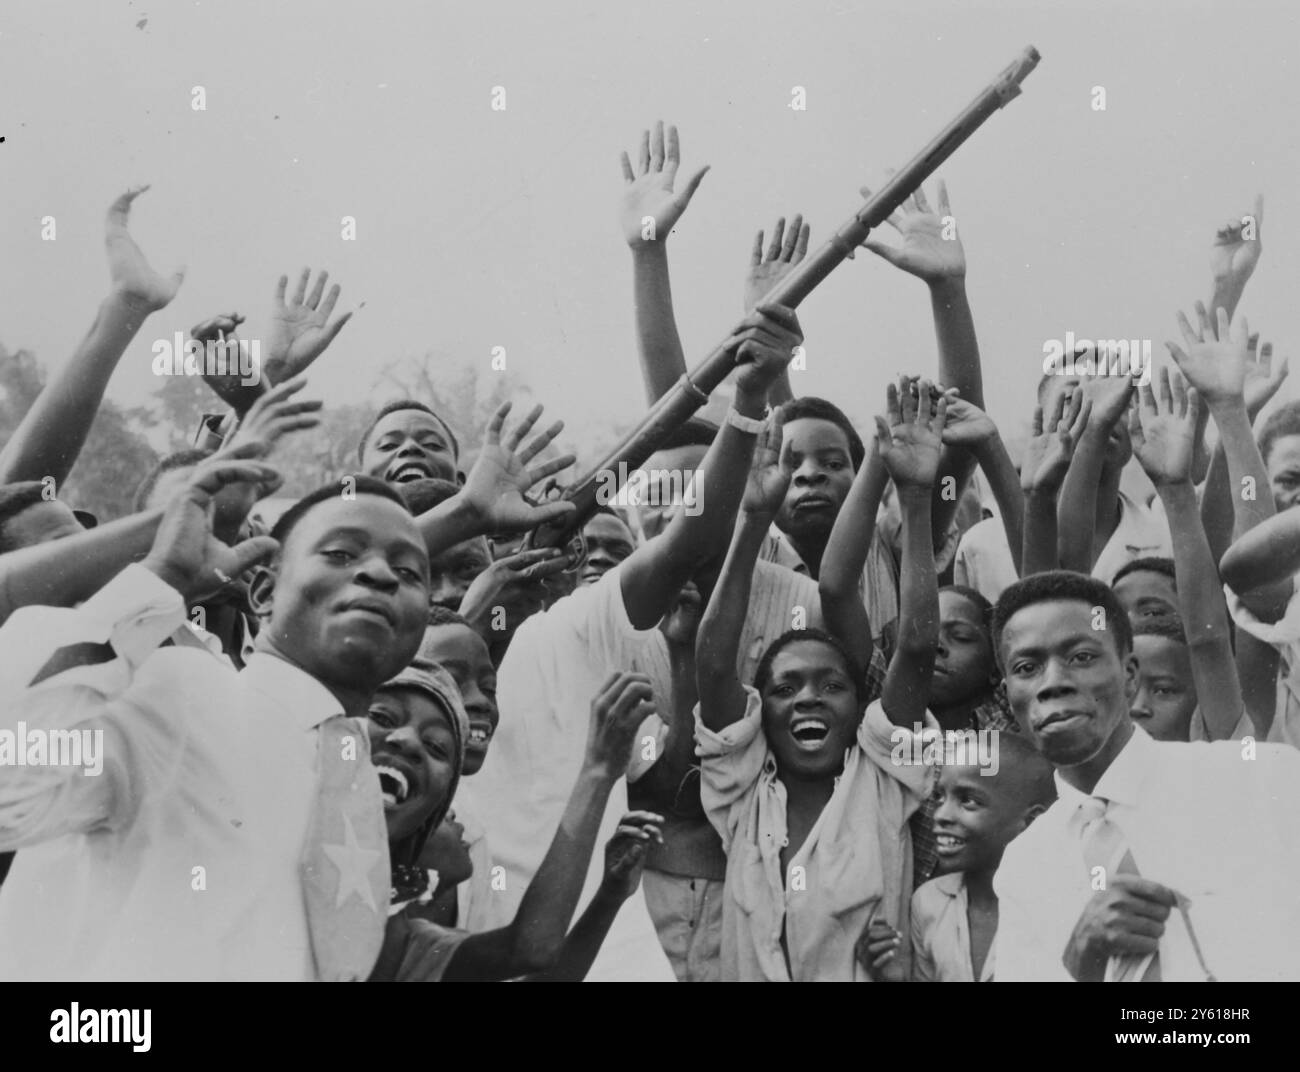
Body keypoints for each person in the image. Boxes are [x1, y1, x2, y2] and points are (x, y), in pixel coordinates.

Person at [0, 402, 566, 980]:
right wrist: (156, 578)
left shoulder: (356, 785)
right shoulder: (183, 687)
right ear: (264, 592)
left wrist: (471, 511)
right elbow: (10, 792)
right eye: (342, 554)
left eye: (408, 572)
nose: (377, 575)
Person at [460, 298, 813, 981]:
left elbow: (686, 540)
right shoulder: (420, 666)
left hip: (579, 936)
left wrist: (748, 399)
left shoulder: (572, 630)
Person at [693, 381, 940, 981]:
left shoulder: (884, 781)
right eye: (784, 687)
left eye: (831, 685)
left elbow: (915, 643)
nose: (807, 696)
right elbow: (715, 664)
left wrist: (914, 496)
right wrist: (752, 519)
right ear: (760, 712)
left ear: (861, 706)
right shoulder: (740, 791)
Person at [992, 571, 1300, 981]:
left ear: (1129, 674)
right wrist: (1081, 957)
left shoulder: (1258, 778)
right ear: (1008, 693)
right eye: (1027, 667)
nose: (1053, 683)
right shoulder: (1024, 866)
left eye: (1081, 657)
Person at [365, 659, 664, 981]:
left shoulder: (413, 938)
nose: (407, 740)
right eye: (382, 717)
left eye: (436, 746)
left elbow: (529, 951)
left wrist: (610, 896)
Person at [861, 734, 1055, 982]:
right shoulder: (930, 903)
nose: (941, 814)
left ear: (1031, 823)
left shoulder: (1063, 904)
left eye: (969, 801)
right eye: (940, 797)